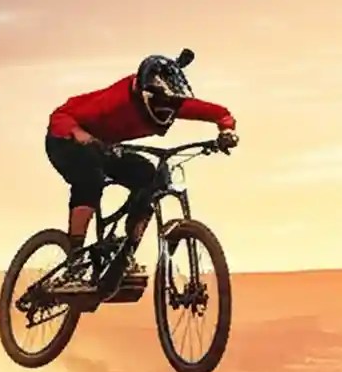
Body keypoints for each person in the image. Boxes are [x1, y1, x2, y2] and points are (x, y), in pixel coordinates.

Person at [45, 50, 239, 288]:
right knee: (89, 178)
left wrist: (226, 132)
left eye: (171, 108)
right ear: (144, 95)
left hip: (105, 146)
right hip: (64, 141)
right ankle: (74, 260)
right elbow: (60, 115)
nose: (166, 112)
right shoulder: (116, 101)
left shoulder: (169, 101)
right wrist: (80, 135)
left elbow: (220, 113)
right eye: (160, 106)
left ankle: (125, 254)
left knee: (151, 178)